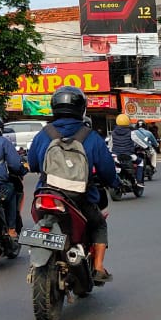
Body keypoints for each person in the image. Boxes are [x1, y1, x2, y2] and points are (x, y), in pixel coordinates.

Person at [27, 86, 118, 283]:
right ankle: (99, 267)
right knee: (99, 224)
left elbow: (33, 163)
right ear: (81, 108)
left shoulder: (44, 134)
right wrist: (113, 183)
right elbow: (108, 171)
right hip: (80, 198)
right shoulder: (91, 136)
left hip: (46, 196)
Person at [109, 114, 143, 185]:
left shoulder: (113, 133)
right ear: (128, 122)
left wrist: (111, 152)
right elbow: (138, 141)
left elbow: (110, 145)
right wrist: (146, 146)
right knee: (140, 162)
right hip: (128, 154)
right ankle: (139, 181)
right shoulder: (131, 132)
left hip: (115, 154)